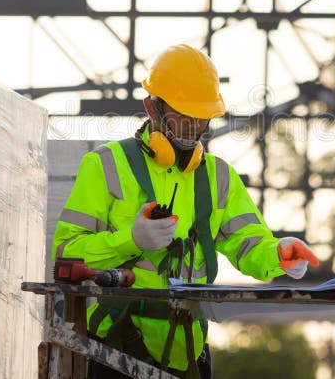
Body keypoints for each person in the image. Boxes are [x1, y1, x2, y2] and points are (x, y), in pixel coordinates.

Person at [52, 44, 319, 379]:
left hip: (188, 351)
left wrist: (278, 254)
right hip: (114, 348)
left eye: (201, 119)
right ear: (152, 107)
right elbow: (64, 254)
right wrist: (130, 240)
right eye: (183, 117)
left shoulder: (218, 177)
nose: (193, 128)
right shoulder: (105, 165)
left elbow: (248, 242)